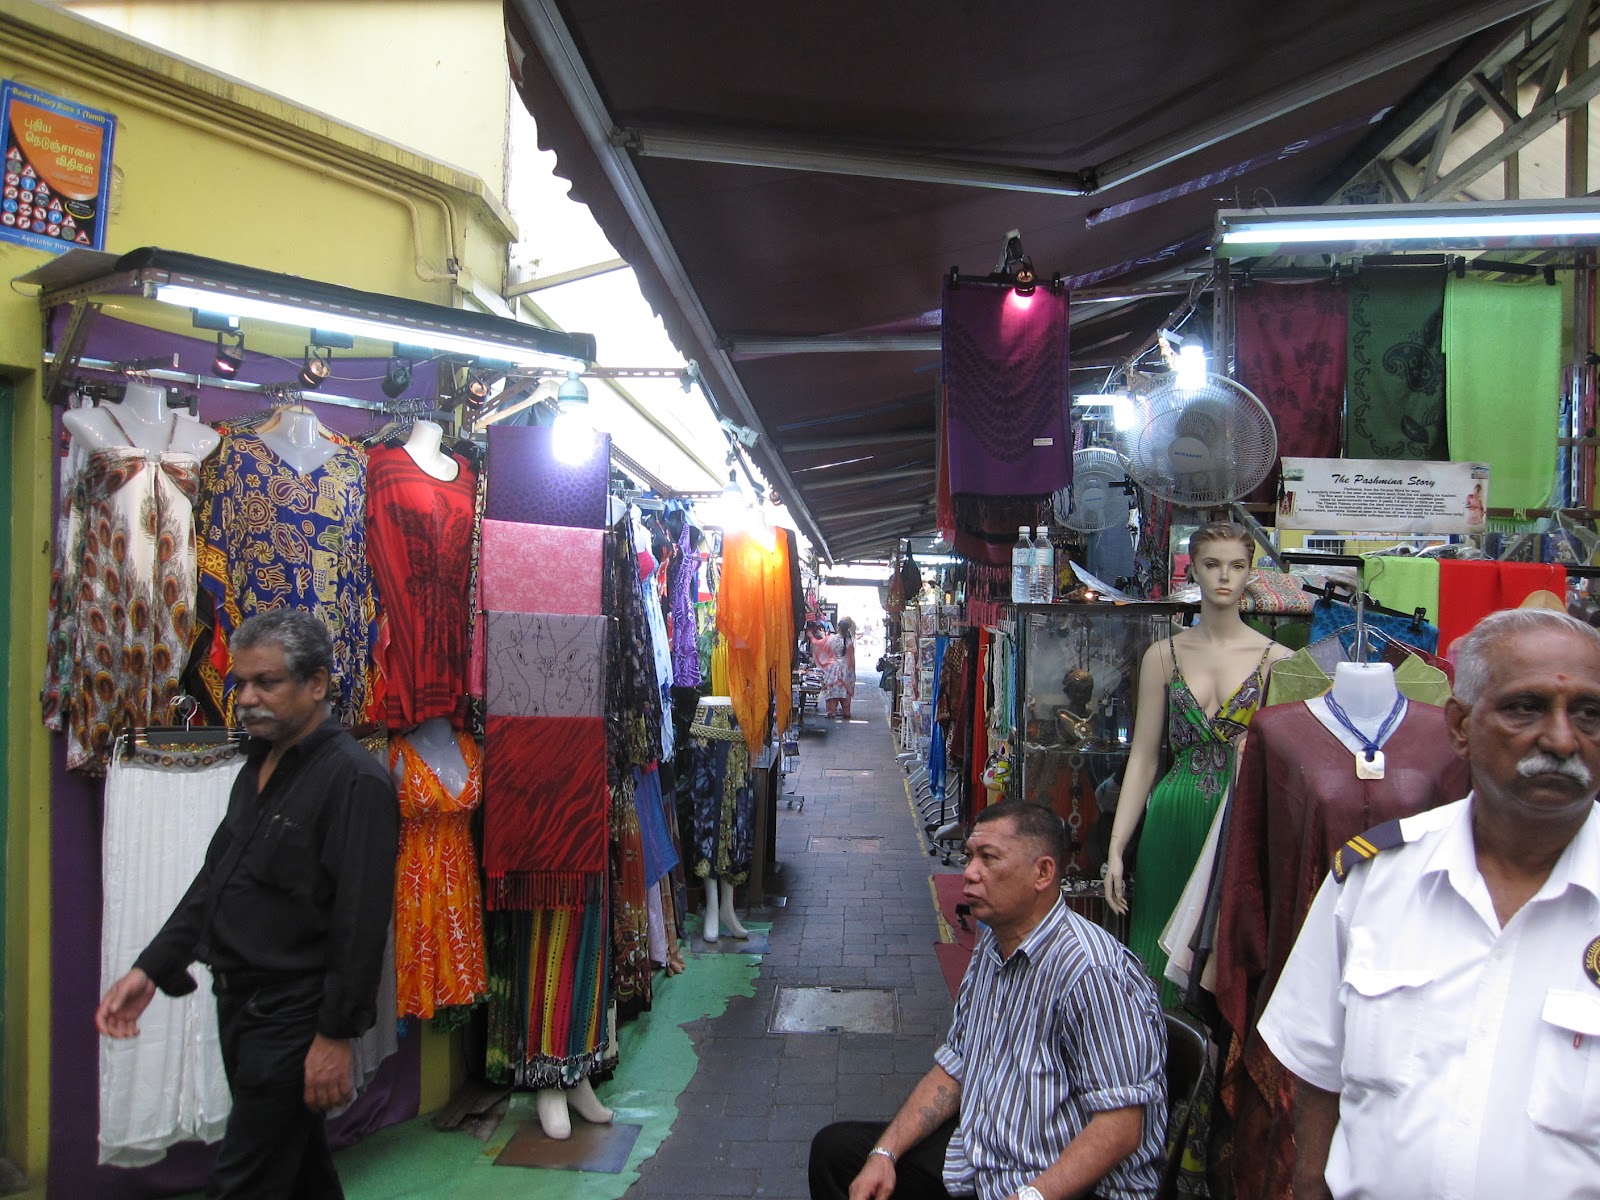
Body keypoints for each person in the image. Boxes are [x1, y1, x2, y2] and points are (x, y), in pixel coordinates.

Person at [1258, 608, 1600, 1200]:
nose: (1561, 738)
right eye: (1526, 708)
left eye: (1590, 713)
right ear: (1461, 727)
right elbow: (1315, 1078)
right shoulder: (1373, 882)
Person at [95, 609, 398, 1198]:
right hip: (239, 1009)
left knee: (244, 1181)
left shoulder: (354, 782)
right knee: (303, 1174)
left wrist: (335, 1038)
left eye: (267, 683)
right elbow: (216, 879)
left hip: (292, 1019)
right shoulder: (259, 765)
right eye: (241, 684)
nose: (246, 699)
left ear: (316, 684)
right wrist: (151, 968)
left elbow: (360, 925)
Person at [809, 801, 1166, 1200]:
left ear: (1043, 872)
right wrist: (884, 1152)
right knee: (837, 1153)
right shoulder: (993, 945)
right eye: (969, 857)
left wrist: (1030, 1196)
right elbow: (956, 1065)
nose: (970, 873)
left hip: (1063, 1182)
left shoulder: (1093, 973)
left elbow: (1120, 1128)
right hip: (987, 1159)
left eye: (989, 858)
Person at [1105, 521, 1292, 1004]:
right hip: (1170, 817)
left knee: (1223, 955)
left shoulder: (1280, 661)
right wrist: (1117, 846)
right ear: (1194, 569)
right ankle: (1155, 1064)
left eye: (1237, 566)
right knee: (1156, 958)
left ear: (1252, 572)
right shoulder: (1163, 656)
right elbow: (1143, 759)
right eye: (1212, 565)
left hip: (1236, 821)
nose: (1224, 577)